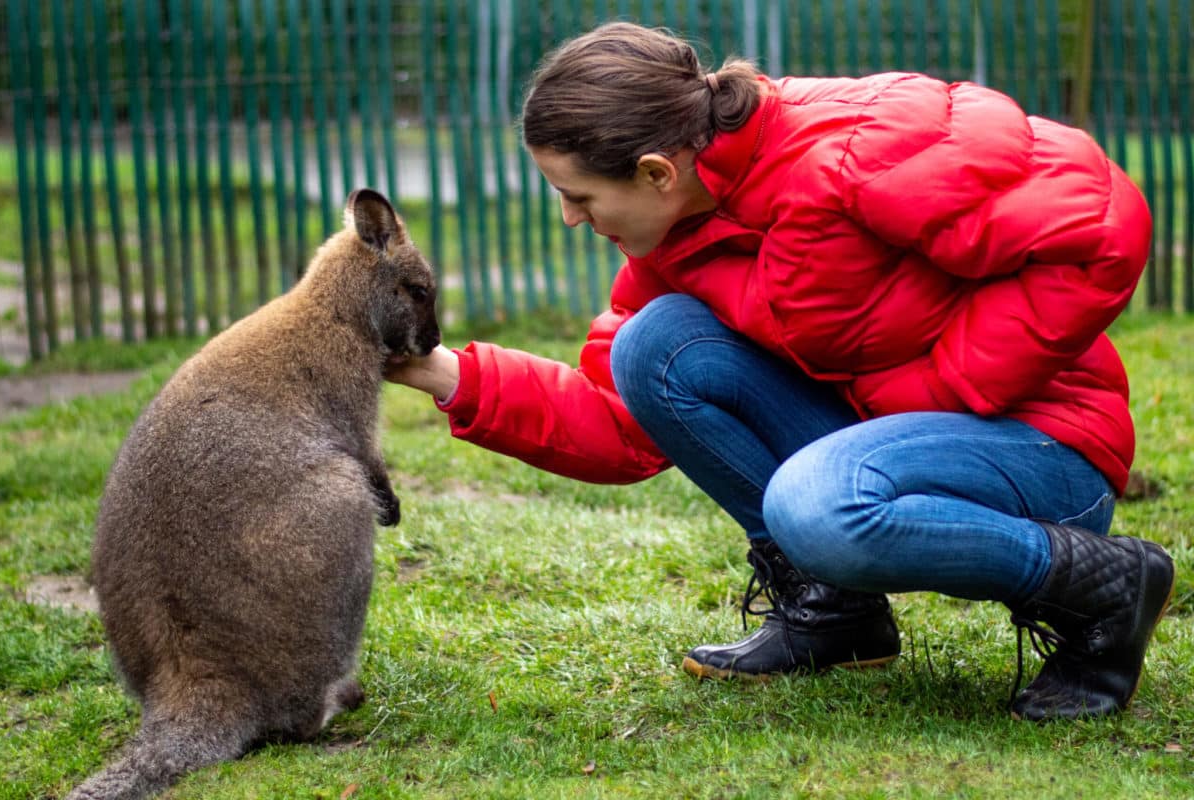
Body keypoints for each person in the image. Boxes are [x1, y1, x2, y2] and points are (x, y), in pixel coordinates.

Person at [386, 21, 1174, 721]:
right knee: (651, 347)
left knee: (818, 507)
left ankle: (1100, 585)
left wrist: (950, 390)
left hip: (1040, 452)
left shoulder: (852, 151)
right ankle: (833, 611)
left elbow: (1102, 223)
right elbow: (624, 426)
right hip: (894, 445)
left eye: (580, 196)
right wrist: (440, 372)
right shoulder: (678, 237)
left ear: (658, 171)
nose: (571, 218)